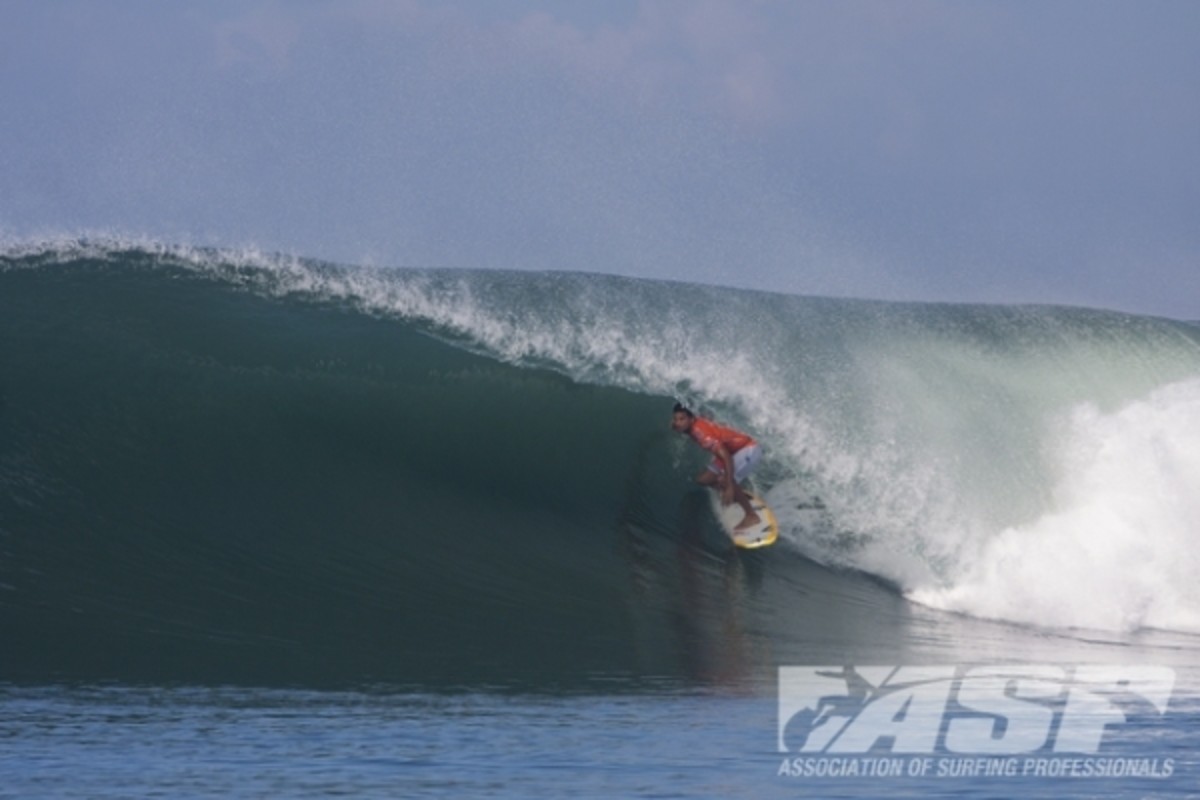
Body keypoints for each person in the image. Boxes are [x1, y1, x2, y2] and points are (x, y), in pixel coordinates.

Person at [671, 402, 762, 530]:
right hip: (732, 450)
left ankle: (751, 515)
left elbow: (726, 457)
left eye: (682, 419)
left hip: (748, 448)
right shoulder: (692, 425)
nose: (678, 422)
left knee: (726, 480)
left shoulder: (701, 434)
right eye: (675, 419)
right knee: (703, 480)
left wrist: (729, 485)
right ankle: (736, 495)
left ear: (691, 419)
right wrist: (676, 426)